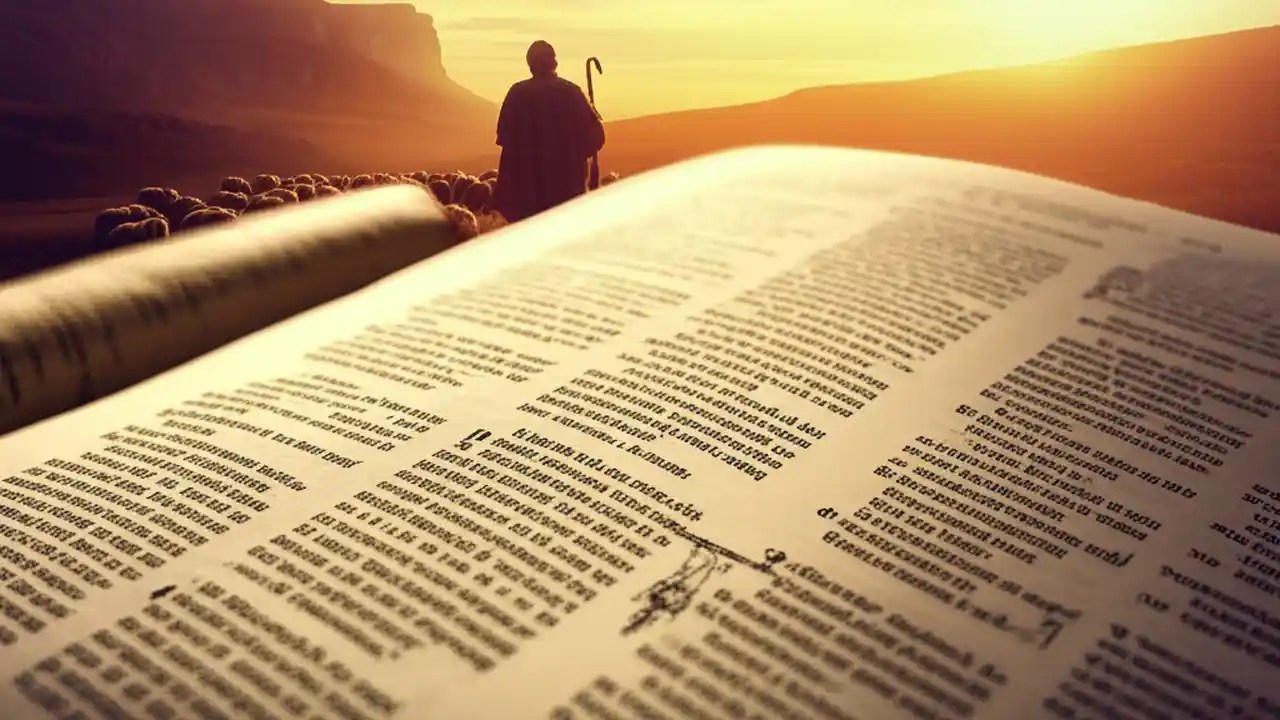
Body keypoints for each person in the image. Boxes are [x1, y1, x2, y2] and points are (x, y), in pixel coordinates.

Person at [492, 41, 605, 223]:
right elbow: (595, 139)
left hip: (526, 198)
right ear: (554, 63)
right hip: (566, 194)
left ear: (530, 65)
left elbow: (505, 139)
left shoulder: (517, 95)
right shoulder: (572, 93)